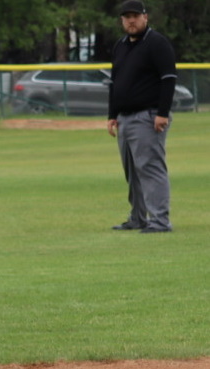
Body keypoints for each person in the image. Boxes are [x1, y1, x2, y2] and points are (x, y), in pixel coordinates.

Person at [107, 0, 177, 233]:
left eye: (135, 16)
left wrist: (162, 113)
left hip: (149, 116)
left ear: (145, 17)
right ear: (122, 20)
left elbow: (168, 79)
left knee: (150, 168)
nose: (131, 20)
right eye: (127, 17)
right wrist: (112, 114)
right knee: (132, 171)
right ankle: (138, 217)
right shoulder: (121, 45)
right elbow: (115, 83)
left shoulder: (156, 43)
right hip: (125, 118)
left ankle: (160, 221)